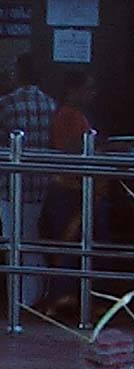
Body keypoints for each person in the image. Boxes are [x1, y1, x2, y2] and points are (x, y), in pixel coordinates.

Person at [35, 70, 97, 318]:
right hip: (67, 191)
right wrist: (94, 144)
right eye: (89, 88)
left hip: (77, 190)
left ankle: (71, 301)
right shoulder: (65, 116)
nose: (93, 93)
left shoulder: (76, 115)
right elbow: (66, 149)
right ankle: (60, 304)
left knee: (77, 248)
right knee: (68, 248)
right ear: (74, 90)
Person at [0, 54, 56, 309]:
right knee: (31, 236)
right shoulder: (51, 104)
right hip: (41, 183)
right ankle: (33, 294)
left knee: (13, 239)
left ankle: (20, 299)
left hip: (9, 184)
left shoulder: (7, 104)